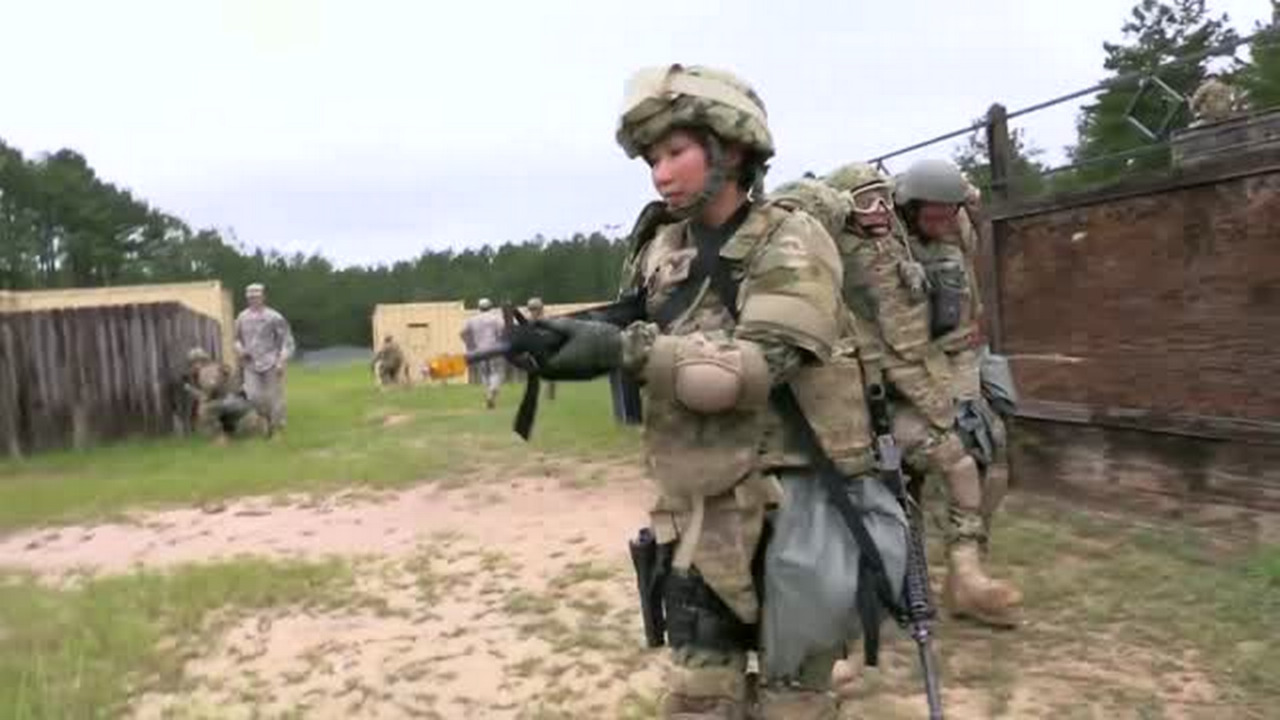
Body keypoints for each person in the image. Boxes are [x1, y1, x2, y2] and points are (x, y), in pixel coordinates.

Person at [509, 64, 908, 719]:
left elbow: (746, 373)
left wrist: (621, 351)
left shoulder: (791, 240)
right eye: (651, 161)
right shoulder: (663, 248)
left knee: (793, 707)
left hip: (797, 510)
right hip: (701, 513)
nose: (661, 174)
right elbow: (640, 316)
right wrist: (562, 340)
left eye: (676, 153)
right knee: (696, 703)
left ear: (731, 150)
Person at [889, 158, 1022, 628]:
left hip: (962, 362)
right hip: (907, 372)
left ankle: (966, 572)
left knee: (992, 455)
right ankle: (905, 575)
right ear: (907, 208)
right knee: (917, 469)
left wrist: (965, 199)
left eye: (950, 213)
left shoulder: (959, 223)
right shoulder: (887, 242)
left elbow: (972, 212)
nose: (943, 224)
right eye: (933, 217)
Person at [232, 283, 295, 438]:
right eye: (250, 297)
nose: (253, 300)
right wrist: (240, 350)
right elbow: (235, 339)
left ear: (263, 297)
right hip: (250, 364)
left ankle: (277, 429)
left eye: (256, 297)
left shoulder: (274, 317)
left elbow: (287, 342)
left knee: (274, 397)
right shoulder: (242, 317)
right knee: (253, 396)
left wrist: (281, 361)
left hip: (271, 363)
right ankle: (265, 420)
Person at [184, 347, 264, 444]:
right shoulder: (215, 367)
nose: (194, 366)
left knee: (205, 409)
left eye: (195, 363)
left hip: (230, 403)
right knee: (217, 408)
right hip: (239, 402)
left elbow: (207, 396)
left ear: (200, 361)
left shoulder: (206, 372)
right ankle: (251, 425)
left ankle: (220, 439)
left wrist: (190, 390)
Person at [460, 298, 506, 409]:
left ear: (479, 307)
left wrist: (470, 345)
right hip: (494, 349)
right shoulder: (496, 318)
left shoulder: (472, 320)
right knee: (496, 372)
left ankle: (489, 394)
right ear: (490, 306)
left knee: (485, 374)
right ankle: (492, 392)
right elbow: (503, 332)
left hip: (479, 350)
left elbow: (463, 333)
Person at [525, 297, 555, 400]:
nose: (533, 311)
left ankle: (549, 392)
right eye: (531, 309)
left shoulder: (547, 319)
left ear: (540, 309)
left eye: (534, 309)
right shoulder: (529, 321)